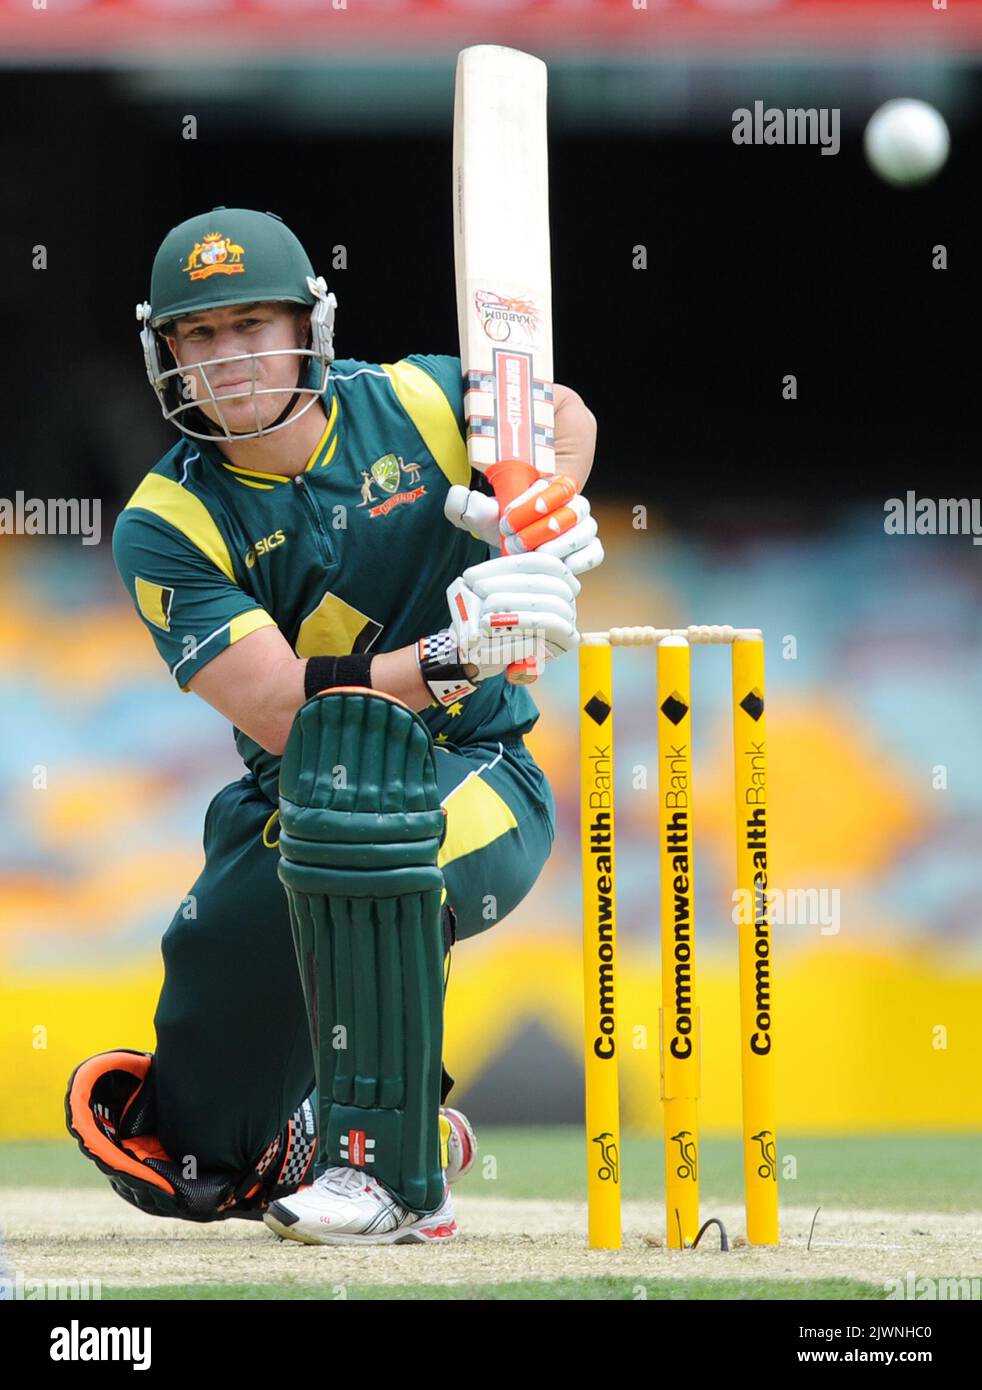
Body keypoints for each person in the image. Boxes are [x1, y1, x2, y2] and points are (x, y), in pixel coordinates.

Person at [65, 207, 603, 1245]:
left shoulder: (416, 397)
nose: (227, 359)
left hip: (475, 767)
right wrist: (458, 647)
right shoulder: (164, 521)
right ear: (164, 353)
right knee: (201, 1153)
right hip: (293, 797)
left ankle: (385, 1169)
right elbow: (277, 705)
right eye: (200, 337)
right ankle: (312, 1127)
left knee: (380, 858)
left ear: (309, 326)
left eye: (251, 325)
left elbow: (565, 412)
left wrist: (540, 500)